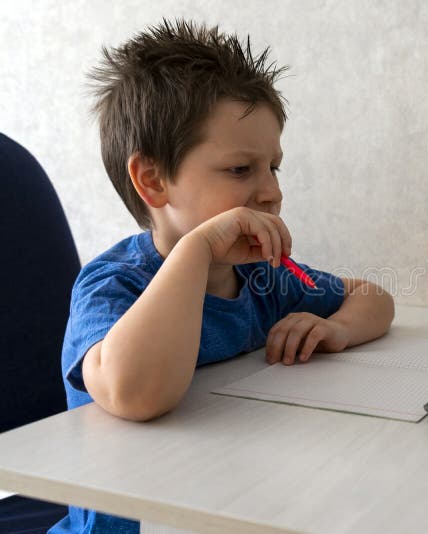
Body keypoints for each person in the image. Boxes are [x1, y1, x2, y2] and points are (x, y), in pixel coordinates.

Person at [50, 18, 394, 533]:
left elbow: (372, 296)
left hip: (226, 505)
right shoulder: (112, 286)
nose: (271, 191)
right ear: (153, 180)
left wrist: (336, 327)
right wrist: (197, 250)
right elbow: (135, 394)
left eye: (273, 167)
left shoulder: (261, 278)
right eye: (241, 170)